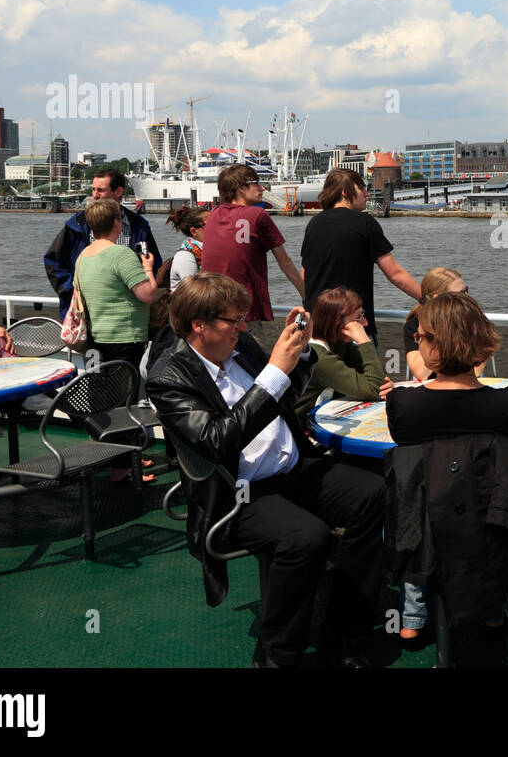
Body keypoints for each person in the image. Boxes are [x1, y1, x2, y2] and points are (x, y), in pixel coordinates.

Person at [146, 273, 385, 668]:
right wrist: (274, 371)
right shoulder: (168, 378)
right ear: (198, 325)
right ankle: (276, 656)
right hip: (238, 495)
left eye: (242, 319)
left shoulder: (242, 351)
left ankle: (342, 630)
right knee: (307, 538)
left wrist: (301, 354)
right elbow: (219, 440)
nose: (242, 329)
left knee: (373, 493)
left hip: (292, 470)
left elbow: (284, 397)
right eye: (233, 321)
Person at [384, 292, 508, 641]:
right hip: (496, 536)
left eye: (421, 335)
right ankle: (493, 611)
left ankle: (412, 617)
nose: (416, 339)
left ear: (438, 345)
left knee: (414, 506)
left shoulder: (403, 405)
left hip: (423, 539)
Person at [76, 198, 162, 482]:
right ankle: (123, 470)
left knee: (108, 401)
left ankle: (119, 457)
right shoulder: (121, 255)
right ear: (117, 222)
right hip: (125, 336)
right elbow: (147, 294)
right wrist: (148, 268)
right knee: (124, 404)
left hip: (97, 338)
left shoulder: (83, 257)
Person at [301, 168, 420, 339]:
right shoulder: (365, 223)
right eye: (362, 188)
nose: (367, 194)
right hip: (353, 329)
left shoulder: (313, 224)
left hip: (318, 328)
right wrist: (428, 299)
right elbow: (395, 274)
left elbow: (305, 276)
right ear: (344, 192)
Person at [202, 165, 305, 351]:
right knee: (255, 365)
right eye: (256, 183)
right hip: (244, 310)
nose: (262, 188)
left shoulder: (214, 214)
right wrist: (306, 294)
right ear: (241, 188)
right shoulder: (257, 214)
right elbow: (285, 262)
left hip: (211, 306)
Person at [44, 169, 160, 319]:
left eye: (100, 190)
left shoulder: (138, 225)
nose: (95, 195)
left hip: (129, 312)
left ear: (118, 192)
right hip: (87, 311)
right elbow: (53, 261)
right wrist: (71, 291)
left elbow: (155, 262)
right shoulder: (77, 224)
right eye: (93, 189)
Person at [294, 287, 390, 422]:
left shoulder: (338, 343)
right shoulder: (318, 357)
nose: (365, 323)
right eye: (359, 317)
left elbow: (376, 379)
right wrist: (364, 340)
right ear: (337, 322)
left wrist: (386, 385)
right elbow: (373, 390)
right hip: (295, 430)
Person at [403, 267, 469, 380]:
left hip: (466, 384)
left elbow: (477, 368)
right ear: (438, 298)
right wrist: (444, 326)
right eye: (461, 293)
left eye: (466, 290)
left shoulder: (471, 320)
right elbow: (421, 373)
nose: (467, 297)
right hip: (431, 385)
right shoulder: (415, 324)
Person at [165, 205, 208, 291]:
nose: (216, 226)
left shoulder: (207, 250)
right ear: (194, 231)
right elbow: (195, 291)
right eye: (210, 224)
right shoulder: (185, 256)